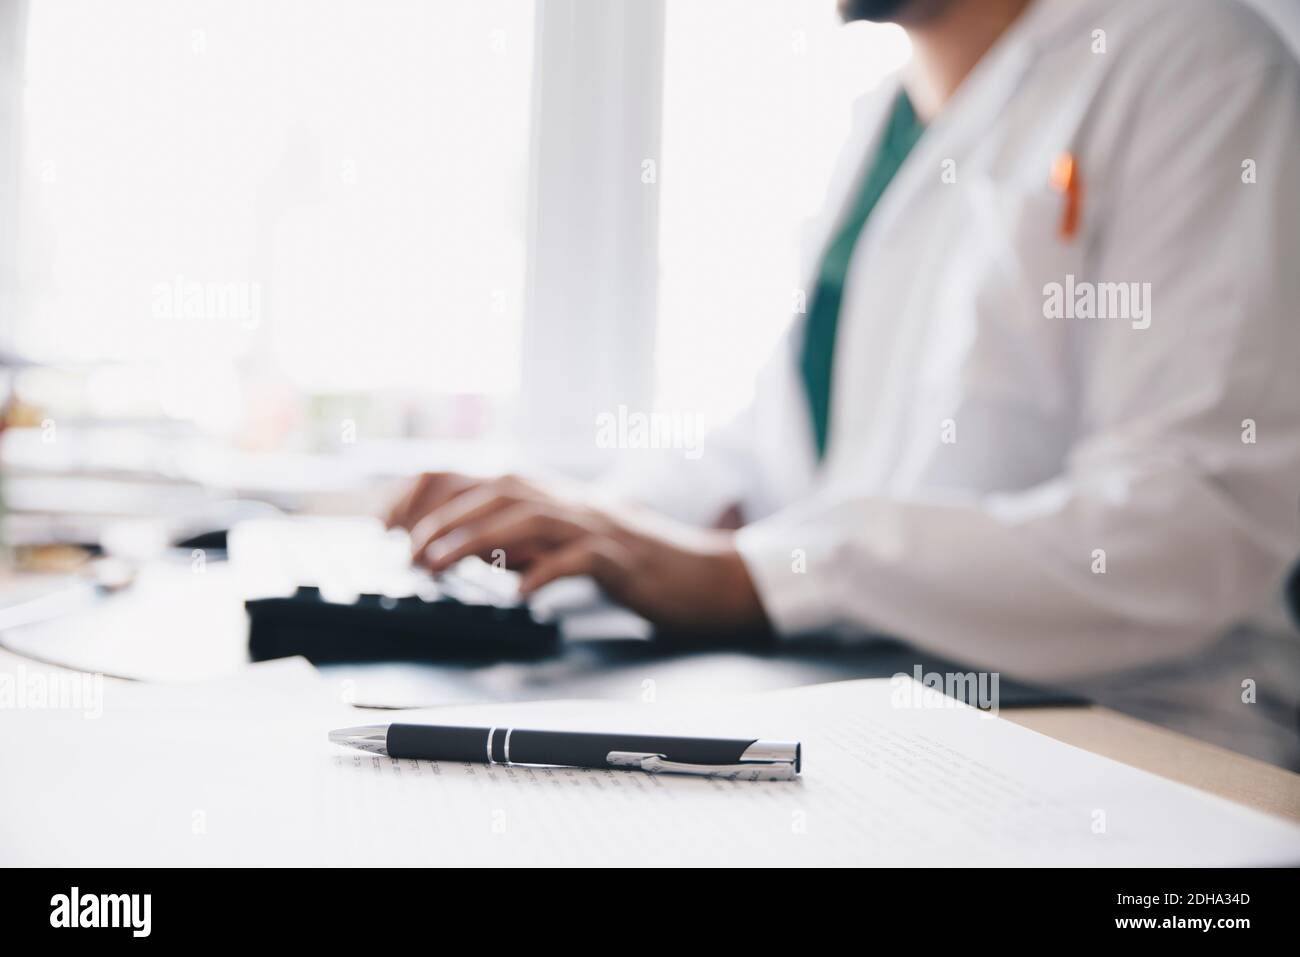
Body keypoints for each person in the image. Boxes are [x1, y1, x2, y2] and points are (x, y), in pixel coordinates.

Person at [387, 0, 1300, 766]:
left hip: (1138, 746)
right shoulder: (880, 120)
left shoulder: (1198, 64)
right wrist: (588, 531)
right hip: (882, 713)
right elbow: (776, 448)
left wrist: (760, 574)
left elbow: (1195, 520)